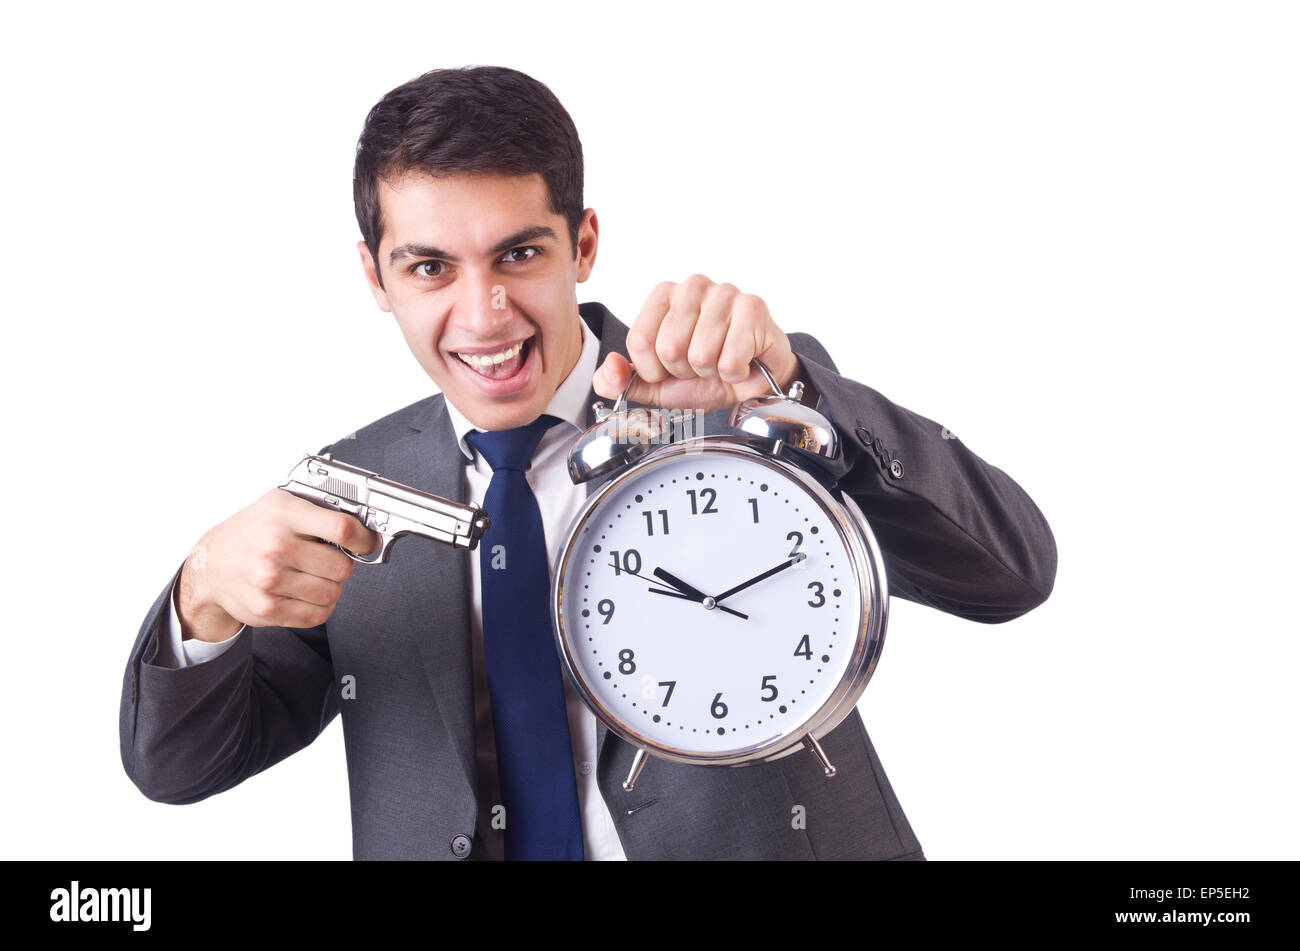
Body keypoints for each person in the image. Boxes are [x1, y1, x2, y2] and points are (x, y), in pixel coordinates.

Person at [119, 65, 1057, 860]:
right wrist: (204, 592)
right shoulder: (348, 491)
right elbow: (178, 767)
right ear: (375, 275)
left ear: (585, 244)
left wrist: (803, 393)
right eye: (431, 267)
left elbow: (1011, 573)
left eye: (519, 253)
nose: (484, 315)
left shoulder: (740, 394)